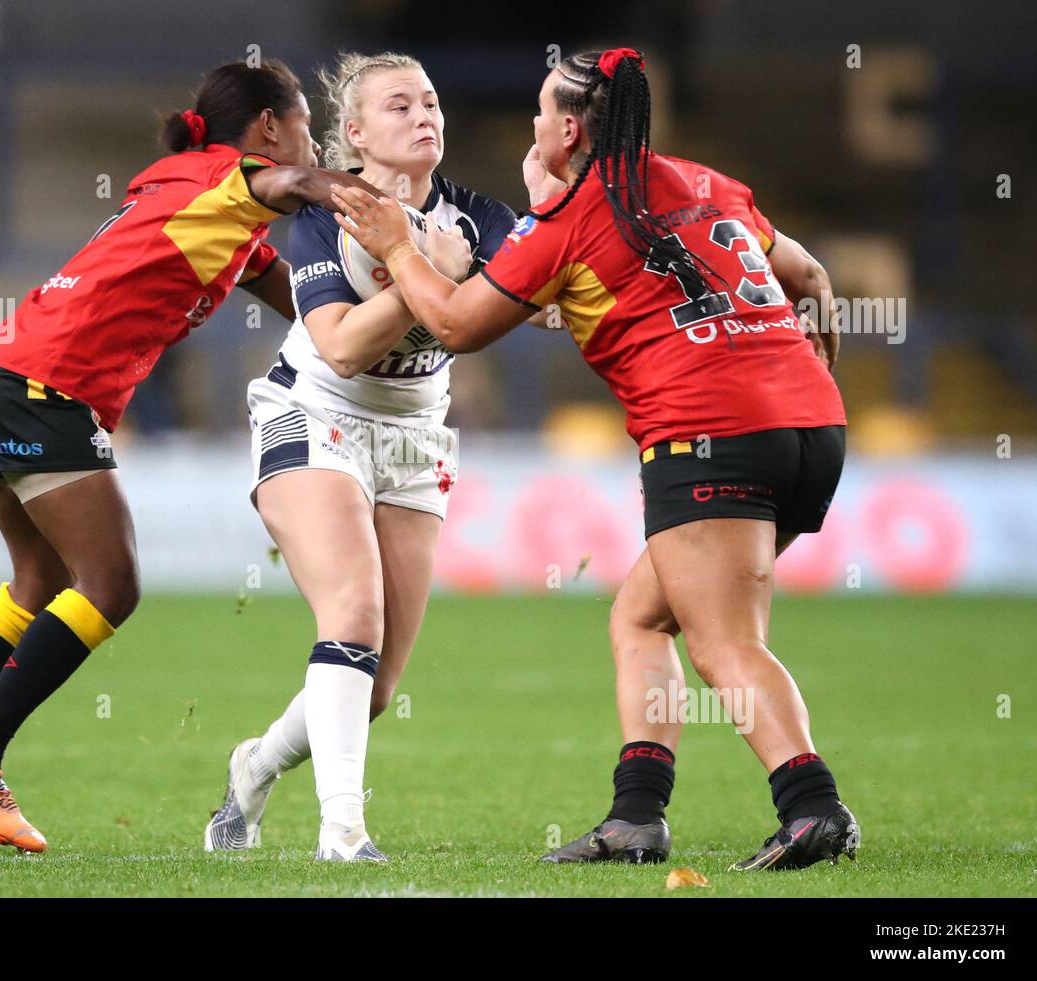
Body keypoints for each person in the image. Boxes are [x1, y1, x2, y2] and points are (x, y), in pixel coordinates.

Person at [331, 47, 860, 871]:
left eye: (544, 109)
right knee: (642, 616)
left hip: (707, 434)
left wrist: (399, 246)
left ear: (569, 129)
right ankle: (635, 818)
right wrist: (814, 327)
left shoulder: (566, 223)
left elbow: (457, 325)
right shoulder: (703, 182)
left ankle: (811, 807)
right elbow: (807, 271)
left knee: (724, 645)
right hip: (813, 427)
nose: (534, 122)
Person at [0, 58, 381, 853]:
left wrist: (406, 315)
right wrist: (338, 186)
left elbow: (314, 311)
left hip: (4, 374)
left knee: (38, 583)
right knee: (111, 584)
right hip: (45, 385)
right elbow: (283, 187)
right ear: (272, 129)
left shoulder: (211, 210)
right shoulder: (225, 179)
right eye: (305, 128)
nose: (307, 145)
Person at [204, 51, 516, 861]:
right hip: (314, 412)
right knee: (352, 616)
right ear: (354, 134)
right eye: (399, 106)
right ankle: (343, 832)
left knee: (373, 689)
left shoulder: (482, 219)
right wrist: (426, 279)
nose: (424, 117)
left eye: (432, 102)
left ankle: (255, 765)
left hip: (416, 436)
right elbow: (339, 347)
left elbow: (492, 321)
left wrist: (438, 274)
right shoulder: (323, 211)